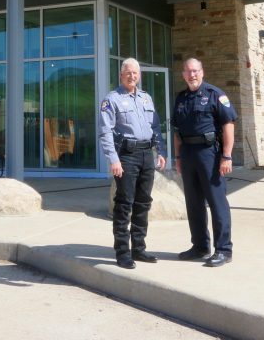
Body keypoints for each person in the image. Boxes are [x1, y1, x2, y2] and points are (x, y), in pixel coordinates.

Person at [99, 57, 167, 269]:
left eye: (135, 73)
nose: (131, 76)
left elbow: (155, 127)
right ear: (121, 75)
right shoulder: (112, 99)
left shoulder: (146, 99)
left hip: (147, 155)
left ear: (139, 76)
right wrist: (114, 159)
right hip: (126, 156)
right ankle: (122, 251)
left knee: (143, 202)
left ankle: (139, 248)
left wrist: (160, 151)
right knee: (124, 203)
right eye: (128, 73)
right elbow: (105, 132)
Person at [171, 57, 236, 268]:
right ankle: (200, 246)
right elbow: (177, 132)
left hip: (210, 154)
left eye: (196, 71)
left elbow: (228, 125)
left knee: (217, 203)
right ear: (183, 75)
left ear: (202, 72)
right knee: (193, 203)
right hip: (188, 154)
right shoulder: (181, 99)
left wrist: (226, 155)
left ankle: (224, 249)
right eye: (188, 71)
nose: (192, 75)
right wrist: (178, 157)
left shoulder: (215, 94)